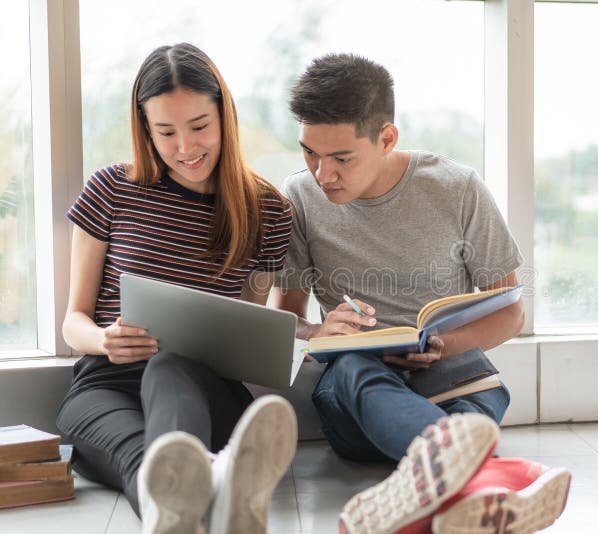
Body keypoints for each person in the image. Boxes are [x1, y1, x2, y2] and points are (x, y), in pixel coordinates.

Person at [272, 53, 571, 533]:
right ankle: (489, 476)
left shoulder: (457, 188)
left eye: (341, 158)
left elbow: (511, 311)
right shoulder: (300, 197)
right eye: (310, 153)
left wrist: (443, 347)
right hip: (355, 392)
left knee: (472, 413)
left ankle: (434, 502)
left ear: (387, 137)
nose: (322, 174)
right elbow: (287, 317)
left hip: (455, 380)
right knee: (353, 368)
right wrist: (320, 329)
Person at [56, 43, 297, 534]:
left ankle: (197, 487)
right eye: (165, 132)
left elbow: (248, 335)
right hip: (107, 387)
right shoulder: (110, 190)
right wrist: (104, 340)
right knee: (142, 462)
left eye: (200, 127)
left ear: (224, 115)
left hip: (207, 394)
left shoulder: (268, 210)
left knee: (170, 365)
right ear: (145, 129)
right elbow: (73, 321)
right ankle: (209, 499)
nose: (186, 148)